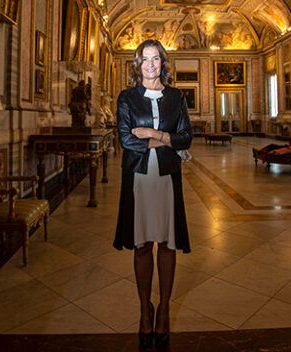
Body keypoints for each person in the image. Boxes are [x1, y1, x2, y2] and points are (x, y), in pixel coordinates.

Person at [114, 39, 192, 349]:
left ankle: (164, 309)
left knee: (168, 243)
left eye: (155, 58)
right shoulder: (127, 98)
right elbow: (125, 140)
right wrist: (167, 141)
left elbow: (185, 138)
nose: (150, 64)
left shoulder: (176, 97)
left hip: (167, 178)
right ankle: (145, 309)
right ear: (137, 64)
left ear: (163, 63)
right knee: (143, 244)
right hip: (138, 178)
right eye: (144, 59)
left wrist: (152, 133)